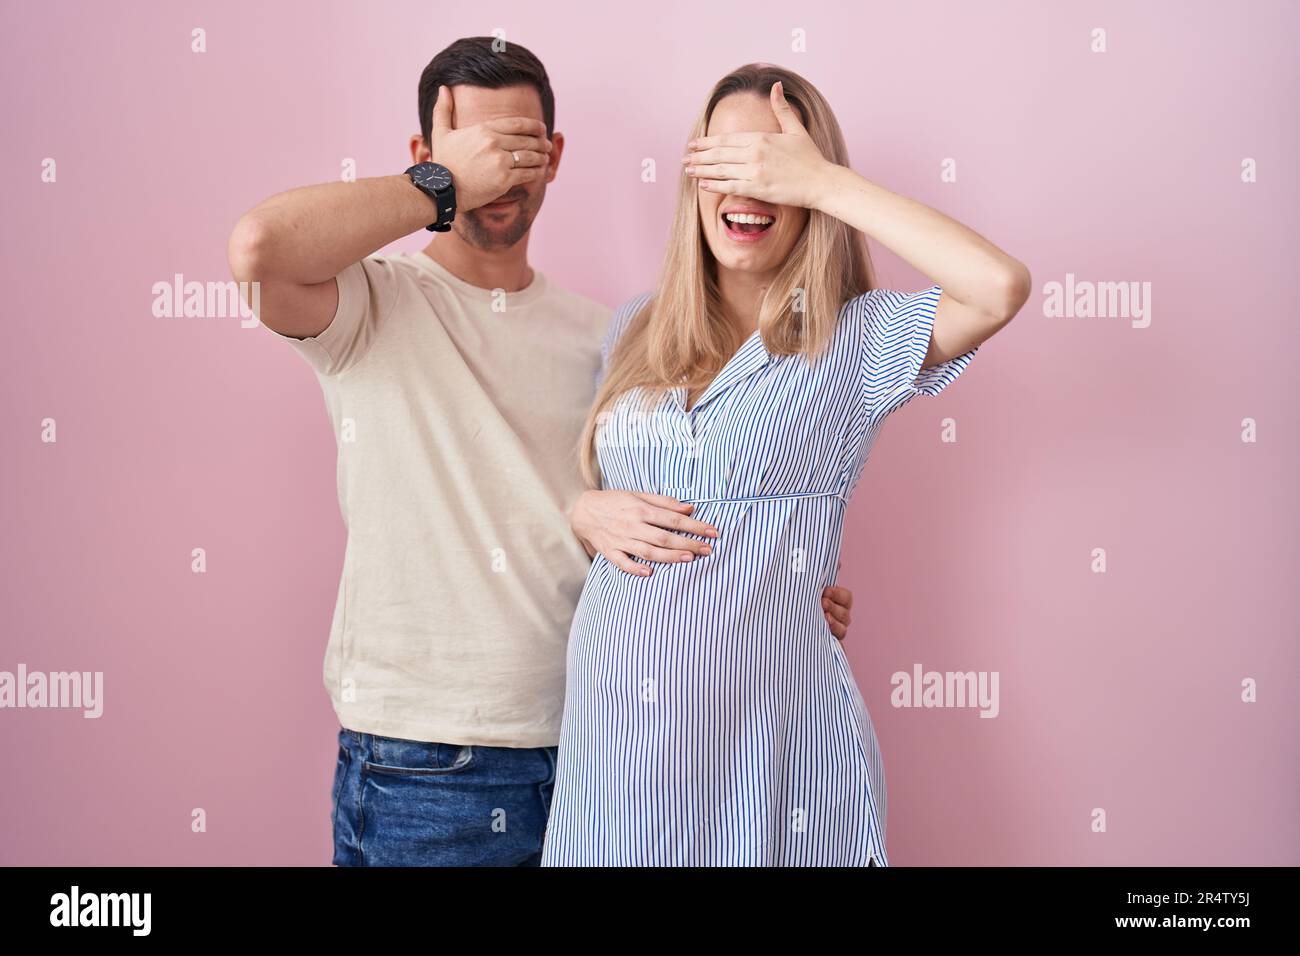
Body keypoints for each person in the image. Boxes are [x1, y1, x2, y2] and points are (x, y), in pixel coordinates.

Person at [228, 38, 855, 866]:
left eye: (519, 149)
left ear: (554, 158)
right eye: (476, 153)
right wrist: (443, 189)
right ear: (424, 157)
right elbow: (257, 250)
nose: (501, 175)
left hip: (614, 750)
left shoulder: (616, 334)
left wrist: (768, 590)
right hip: (432, 764)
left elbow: (650, 513)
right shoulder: (366, 304)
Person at [542, 63, 1030, 866]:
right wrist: (582, 511)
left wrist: (827, 182)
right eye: (728, 162)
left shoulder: (858, 338)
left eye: (773, 165)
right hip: (615, 739)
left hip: (764, 745)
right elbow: (613, 502)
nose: (749, 184)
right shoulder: (632, 327)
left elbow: (999, 287)